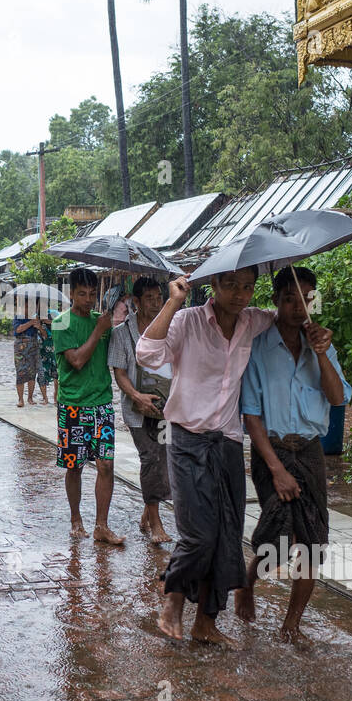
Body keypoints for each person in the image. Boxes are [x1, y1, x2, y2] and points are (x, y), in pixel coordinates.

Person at [138, 271, 276, 645]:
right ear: (213, 285)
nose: (240, 294)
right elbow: (147, 355)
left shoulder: (254, 321)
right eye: (230, 284)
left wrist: (316, 331)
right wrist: (173, 300)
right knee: (197, 535)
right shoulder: (187, 320)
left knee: (227, 537)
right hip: (186, 439)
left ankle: (206, 622)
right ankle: (172, 601)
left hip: (228, 442)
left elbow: (287, 320)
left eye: (248, 286)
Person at [242, 267, 351, 643]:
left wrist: (320, 353)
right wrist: (275, 470)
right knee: (278, 534)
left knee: (312, 541)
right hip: (270, 451)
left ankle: (292, 624)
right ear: (275, 301)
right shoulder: (258, 347)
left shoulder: (322, 345)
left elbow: (337, 398)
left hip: (308, 451)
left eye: (306, 298)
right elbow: (251, 415)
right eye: (290, 298)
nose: (298, 307)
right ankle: (247, 581)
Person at [53, 269, 122, 546]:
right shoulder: (60, 323)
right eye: (82, 293)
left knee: (106, 465)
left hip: (102, 404)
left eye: (93, 294)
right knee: (75, 467)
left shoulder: (102, 322)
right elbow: (78, 361)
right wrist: (99, 330)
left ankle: (101, 525)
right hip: (73, 406)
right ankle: (75, 519)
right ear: (71, 294)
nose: (89, 299)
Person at [109, 277, 173, 544]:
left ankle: (148, 510)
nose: (156, 303)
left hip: (167, 407)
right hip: (137, 410)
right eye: (150, 298)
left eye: (159, 297)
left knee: (166, 460)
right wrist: (136, 396)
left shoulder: (171, 328)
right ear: (136, 302)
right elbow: (119, 372)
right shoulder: (122, 333)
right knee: (150, 459)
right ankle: (157, 523)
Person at [12, 312, 47, 407]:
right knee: (20, 371)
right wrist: (31, 322)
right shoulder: (18, 316)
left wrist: (39, 326)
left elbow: (45, 335)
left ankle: (30, 398)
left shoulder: (36, 316)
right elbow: (18, 329)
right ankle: (20, 399)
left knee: (32, 373)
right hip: (20, 346)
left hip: (34, 346)